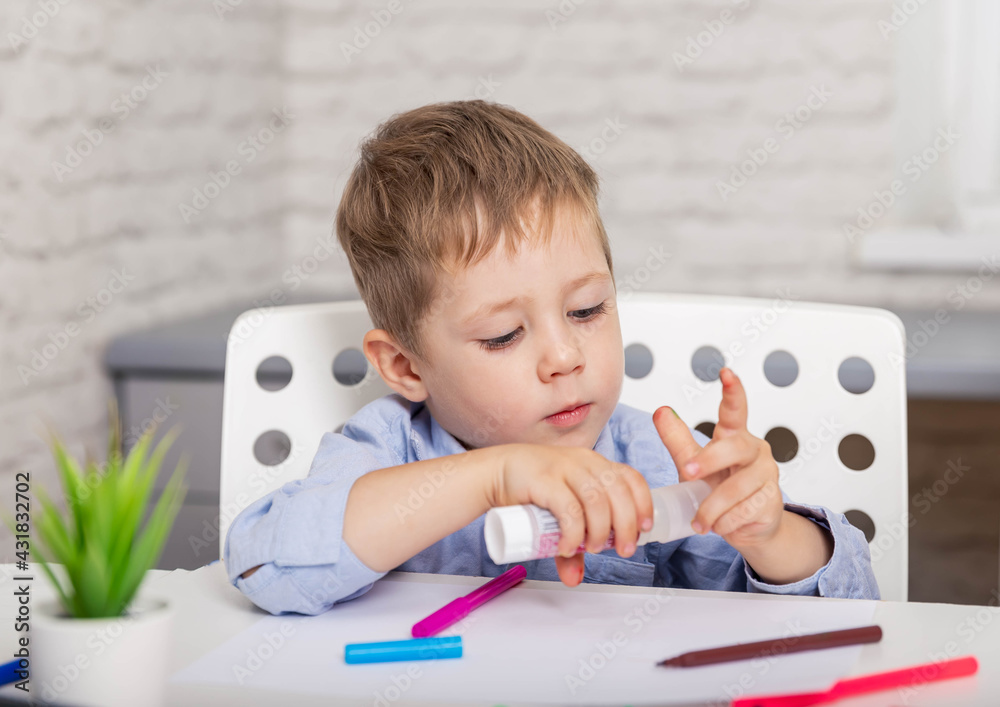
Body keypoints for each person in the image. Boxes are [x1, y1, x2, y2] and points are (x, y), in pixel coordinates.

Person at [223, 99, 879, 615]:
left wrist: (770, 534)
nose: (565, 356)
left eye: (587, 309)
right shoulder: (387, 448)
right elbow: (264, 565)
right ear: (406, 367)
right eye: (504, 335)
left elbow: (850, 612)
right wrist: (494, 476)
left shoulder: (649, 459)